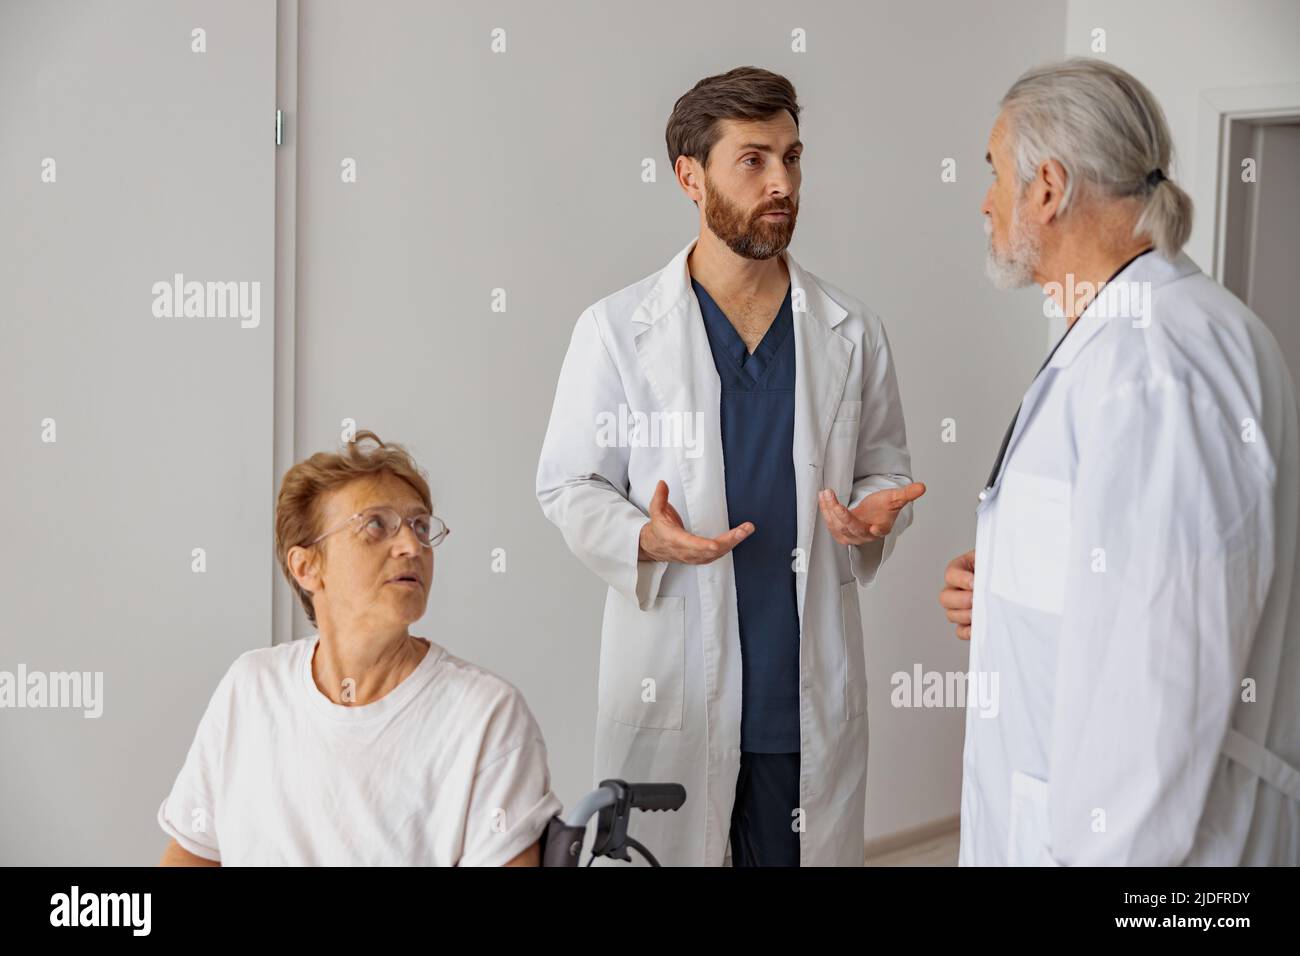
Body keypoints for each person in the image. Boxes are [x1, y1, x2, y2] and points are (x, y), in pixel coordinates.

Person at [537, 67, 924, 866]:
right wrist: (645, 536)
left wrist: (877, 510)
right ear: (690, 176)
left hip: (800, 697)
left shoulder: (851, 330)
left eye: (792, 157)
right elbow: (569, 483)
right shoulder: (615, 330)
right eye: (753, 159)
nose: (782, 182)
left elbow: (886, 470)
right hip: (674, 689)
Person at [939, 58, 1300, 865]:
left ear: (1049, 188)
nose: (986, 200)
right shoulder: (1121, 335)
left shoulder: (1156, 363)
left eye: (996, 172)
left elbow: (1160, 679)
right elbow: (1130, 576)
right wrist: (1003, 581)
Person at [158, 430, 561, 865]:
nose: (412, 546)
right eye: (375, 525)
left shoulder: (486, 715)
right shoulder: (251, 687)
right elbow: (191, 855)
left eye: (420, 526)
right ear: (307, 566)